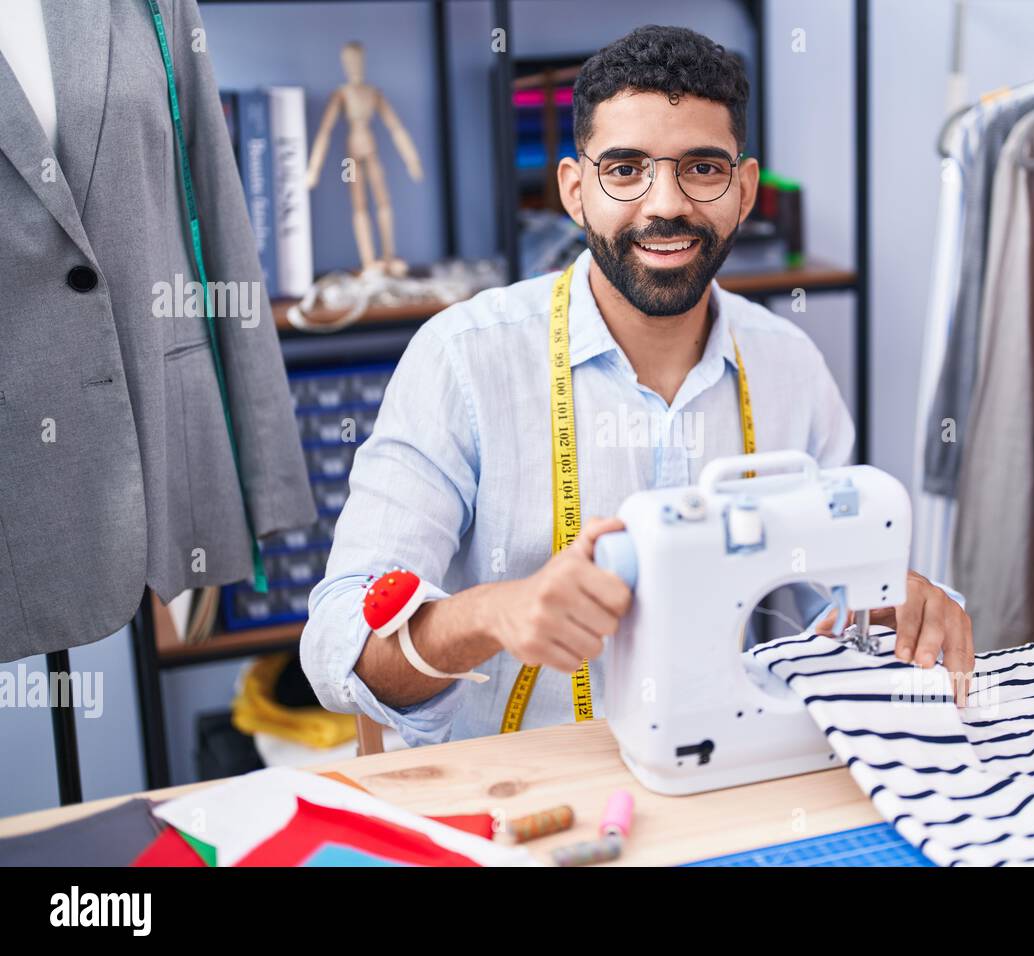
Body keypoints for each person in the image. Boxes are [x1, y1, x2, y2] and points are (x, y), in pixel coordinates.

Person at [301, 25, 974, 747]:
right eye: (624, 169)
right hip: (515, 802)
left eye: (703, 169)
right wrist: (495, 613)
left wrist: (895, 601)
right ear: (573, 190)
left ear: (744, 190)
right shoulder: (463, 360)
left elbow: (840, 589)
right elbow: (341, 642)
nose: (664, 205)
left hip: (721, 778)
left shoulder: (788, 365)